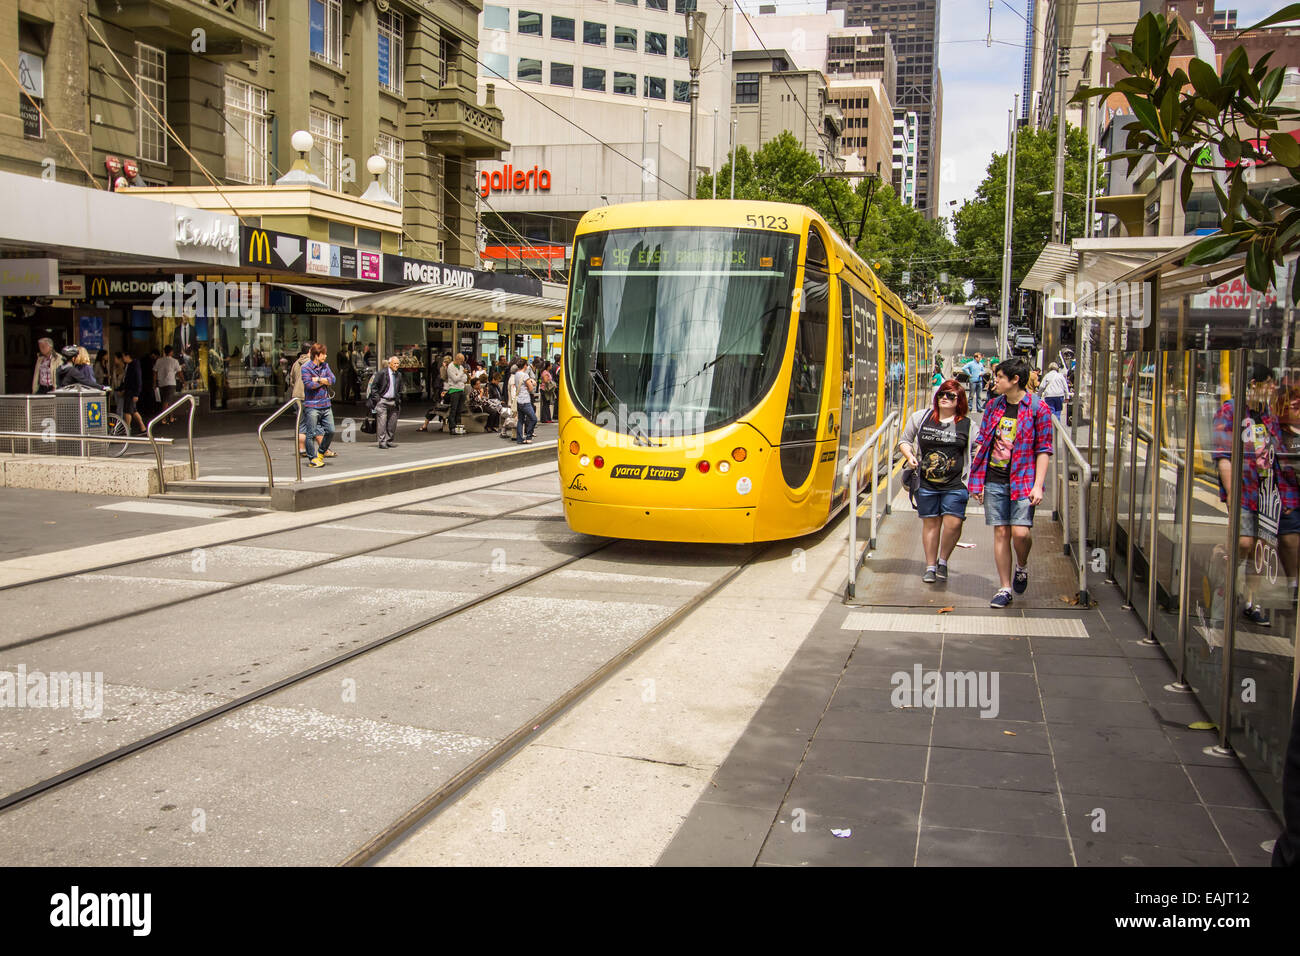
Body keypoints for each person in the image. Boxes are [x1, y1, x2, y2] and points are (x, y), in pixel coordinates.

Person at [1212, 363, 1298, 627]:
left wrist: (1285, 493)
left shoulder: (1268, 414)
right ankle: (1224, 571)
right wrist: (1234, 496)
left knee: (1263, 547)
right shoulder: (1229, 412)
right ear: (1253, 385)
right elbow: (1224, 458)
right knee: (1245, 543)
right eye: (1269, 383)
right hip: (1245, 490)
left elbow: (1275, 455)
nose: (1274, 388)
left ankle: (1252, 601)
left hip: (1269, 491)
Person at [967, 357, 1054, 608]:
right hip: (995, 478)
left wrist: (1038, 485)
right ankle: (1005, 587)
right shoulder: (994, 406)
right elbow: (983, 442)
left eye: (999, 377)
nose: (995, 381)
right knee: (1001, 532)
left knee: (1021, 533)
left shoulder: (1039, 409)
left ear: (1015, 380)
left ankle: (1022, 565)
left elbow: (1044, 449)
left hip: (1024, 480)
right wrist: (977, 481)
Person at [899, 379, 973, 584]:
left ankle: (943, 560)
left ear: (960, 401)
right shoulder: (921, 417)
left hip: (956, 484)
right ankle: (931, 566)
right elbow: (904, 440)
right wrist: (909, 456)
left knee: (953, 522)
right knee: (931, 524)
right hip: (926, 483)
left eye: (951, 396)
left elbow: (976, 450)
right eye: (942, 394)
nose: (945, 399)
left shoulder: (968, 425)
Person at [301, 343, 337, 468]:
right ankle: (313, 458)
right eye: (324, 354)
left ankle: (321, 452)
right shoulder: (306, 368)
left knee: (331, 430)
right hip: (312, 405)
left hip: (326, 404)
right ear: (317, 355)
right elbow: (309, 385)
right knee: (310, 434)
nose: (325, 356)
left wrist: (318, 379)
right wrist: (324, 381)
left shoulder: (325, 366)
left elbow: (333, 379)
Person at [368, 355, 403, 449]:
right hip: (382, 401)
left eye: (397, 363)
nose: (396, 365)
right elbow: (374, 387)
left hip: (393, 401)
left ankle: (389, 440)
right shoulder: (382, 373)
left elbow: (400, 388)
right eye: (394, 363)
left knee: (392, 423)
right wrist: (377, 399)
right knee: (382, 422)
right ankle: (382, 441)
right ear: (389, 364)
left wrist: (398, 398)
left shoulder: (399, 375)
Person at [117, 351, 146, 434]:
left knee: (127, 411)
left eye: (123, 356)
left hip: (131, 391)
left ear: (128, 356)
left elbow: (138, 380)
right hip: (129, 391)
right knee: (133, 410)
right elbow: (126, 380)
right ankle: (142, 427)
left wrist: (136, 393)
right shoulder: (129, 365)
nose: (122, 358)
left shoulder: (134, 365)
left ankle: (128, 428)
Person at [289, 345, 311, 456]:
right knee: (316, 424)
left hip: (297, 396)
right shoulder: (312, 363)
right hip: (308, 396)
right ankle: (323, 449)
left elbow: (291, 380)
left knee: (301, 423)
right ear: (311, 350)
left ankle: (302, 448)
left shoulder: (296, 363)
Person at [512, 358, 537, 443]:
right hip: (525, 401)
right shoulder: (525, 375)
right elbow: (530, 388)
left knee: (521, 420)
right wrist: (532, 384)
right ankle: (528, 437)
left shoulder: (516, 374)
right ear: (525, 365)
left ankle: (519, 439)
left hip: (518, 400)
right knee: (534, 419)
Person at [154, 345, 182, 422]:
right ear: (171, 352)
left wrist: (154, 383)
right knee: (167, 401)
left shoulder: (159, 361)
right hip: (170, 383)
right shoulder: (174, 361)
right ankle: (163, 418)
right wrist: (183, 380)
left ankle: (171, 417)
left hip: (161, 383)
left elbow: (155, 372)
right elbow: (179, 372)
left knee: (166, 400)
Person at [445, 353, 468, 434]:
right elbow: (455, 379)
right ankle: (452, 427)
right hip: (454, 390)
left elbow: (465, 379)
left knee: (459, 409)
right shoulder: (450, 367)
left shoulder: (461, 367)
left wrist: (460, 375)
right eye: (461, 361)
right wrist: (461, 374)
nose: (462, 363)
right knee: (453, 409)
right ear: (457, 359)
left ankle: (458, 426)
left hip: (461, 389)